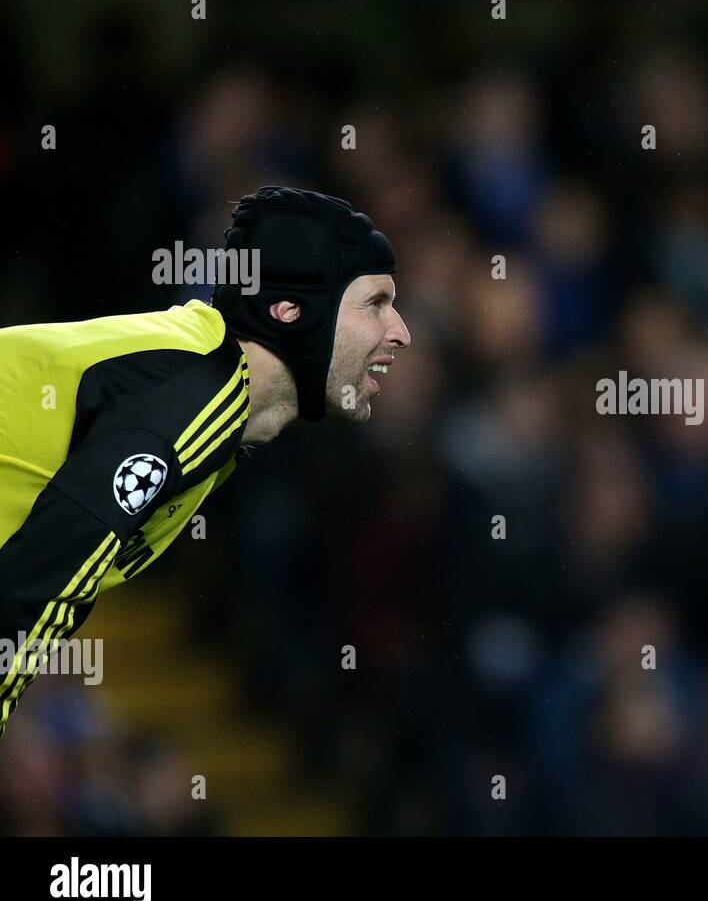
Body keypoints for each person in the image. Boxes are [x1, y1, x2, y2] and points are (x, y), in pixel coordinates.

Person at [0, 186, 412, 737]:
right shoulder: (195, 392)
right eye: (376, 304)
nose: (401, 332)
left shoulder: (205, 387)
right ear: (290, 312)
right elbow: (36, 582)